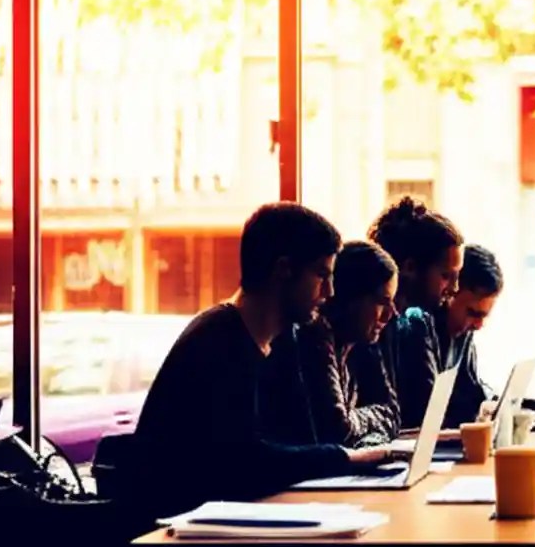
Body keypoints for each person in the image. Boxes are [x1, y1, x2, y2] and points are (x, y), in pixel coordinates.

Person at [130, 203, 386, 517]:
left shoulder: (281, 340)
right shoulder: (218, 340)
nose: (330, 291)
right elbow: (247, 464)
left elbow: (301, 439)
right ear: (283, 270)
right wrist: (344, 458)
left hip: (230, 523)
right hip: (178, 542)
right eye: (321, 275)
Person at [435, 244, 535, 427]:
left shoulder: (462, 334)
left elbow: (479, 399)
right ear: (450, 292)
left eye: (484, 316)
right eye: (473, 313)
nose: (479, 325)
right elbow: (457, 412)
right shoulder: (424, 330)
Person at [365, 195, 464, 429]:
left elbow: (429, 414)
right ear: (409, 267)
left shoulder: (416, 323)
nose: (455, 288)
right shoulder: (368, 327)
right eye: (446, 276)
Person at [294, 241, 401, 448]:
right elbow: (338, 430)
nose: (391, 314)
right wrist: (366, 426)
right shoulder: (315, 338)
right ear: (350, 298)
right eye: (382, 301)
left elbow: (393, 413)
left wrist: (360, 426)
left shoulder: (362, 342)